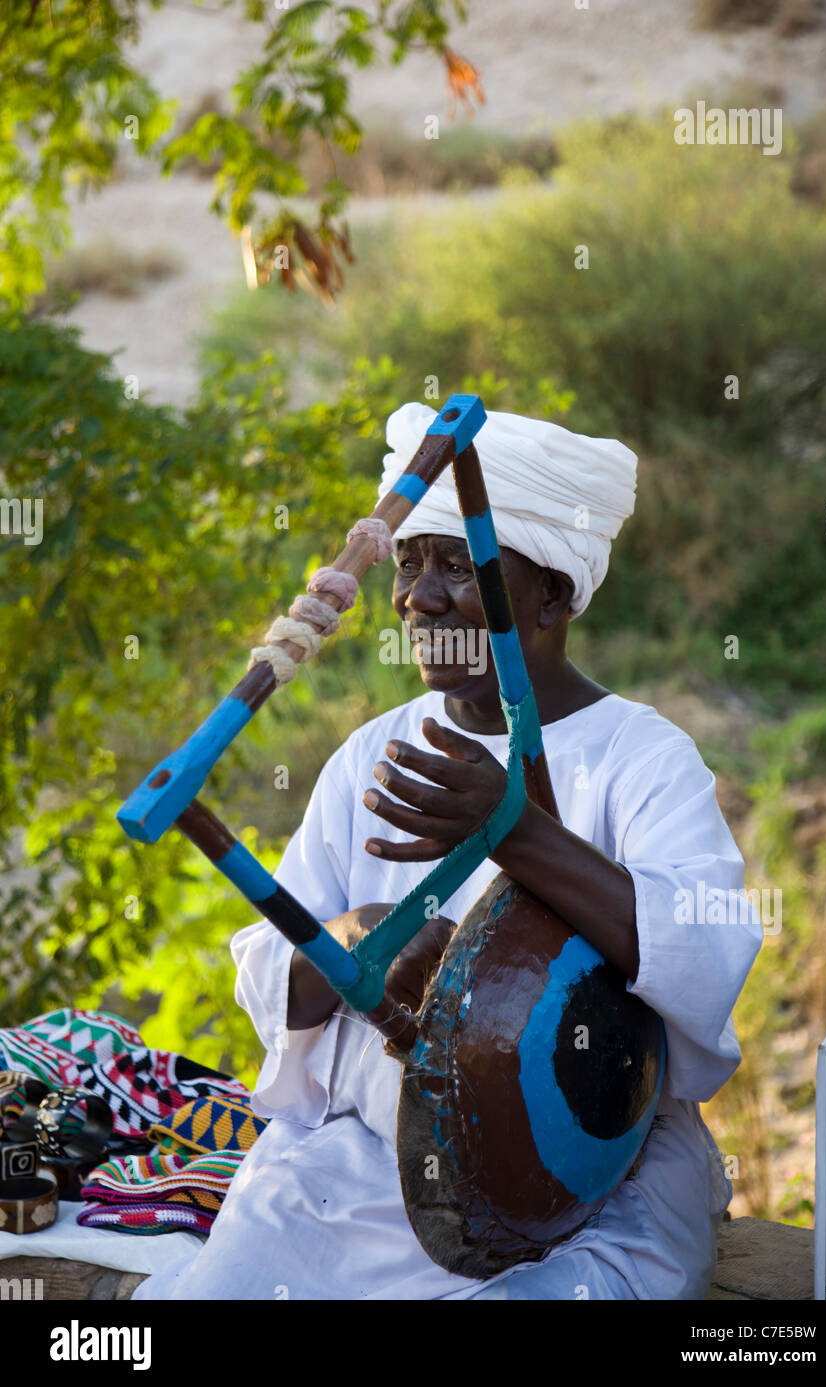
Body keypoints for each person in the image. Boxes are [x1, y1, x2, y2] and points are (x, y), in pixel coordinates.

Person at [133, 403, 762, 1301]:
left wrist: (516, 828)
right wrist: (356, 941)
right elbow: (274, 979)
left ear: (552, 593)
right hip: (360, 1168)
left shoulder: (642, 759)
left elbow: (707, 957)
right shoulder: (372, 752)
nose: (418, 598)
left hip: (591, 1185)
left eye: (460, 565)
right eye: (409, 562)